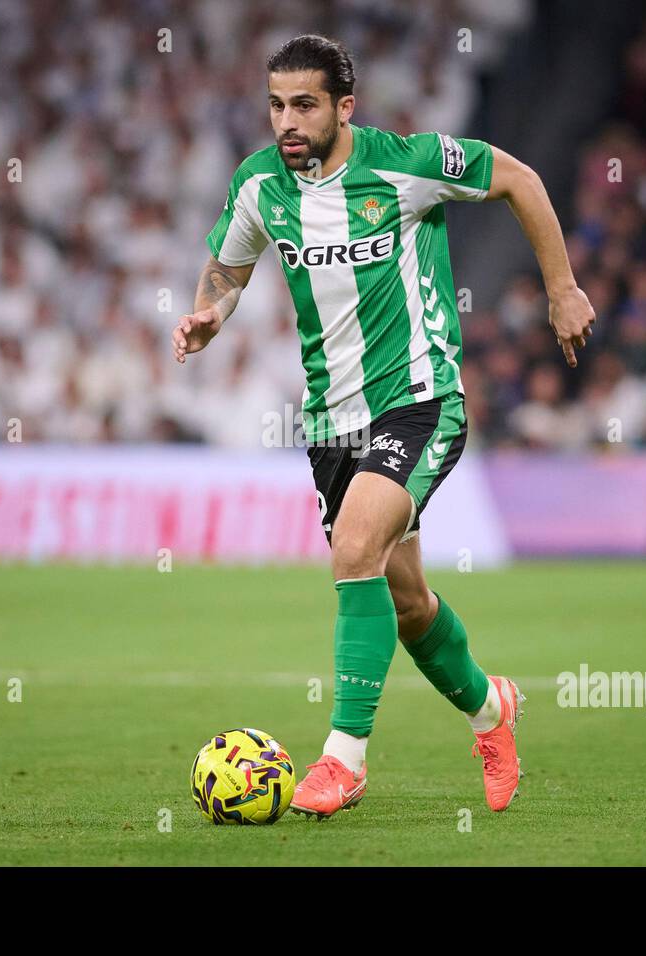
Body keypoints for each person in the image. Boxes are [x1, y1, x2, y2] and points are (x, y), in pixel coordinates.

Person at [172, 34, 595, 818]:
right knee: (405, 603)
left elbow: (522, 179)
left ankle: (345, 760)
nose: (286, 121)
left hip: (419, 398)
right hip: (331, 424)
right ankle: (490, 710)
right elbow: (228, 267)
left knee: (354, 547)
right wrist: (211, 313)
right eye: (275, 105)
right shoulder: (261, 184)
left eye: (303, 105)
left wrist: (561, 290)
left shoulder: (406, 163)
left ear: (344, 107)